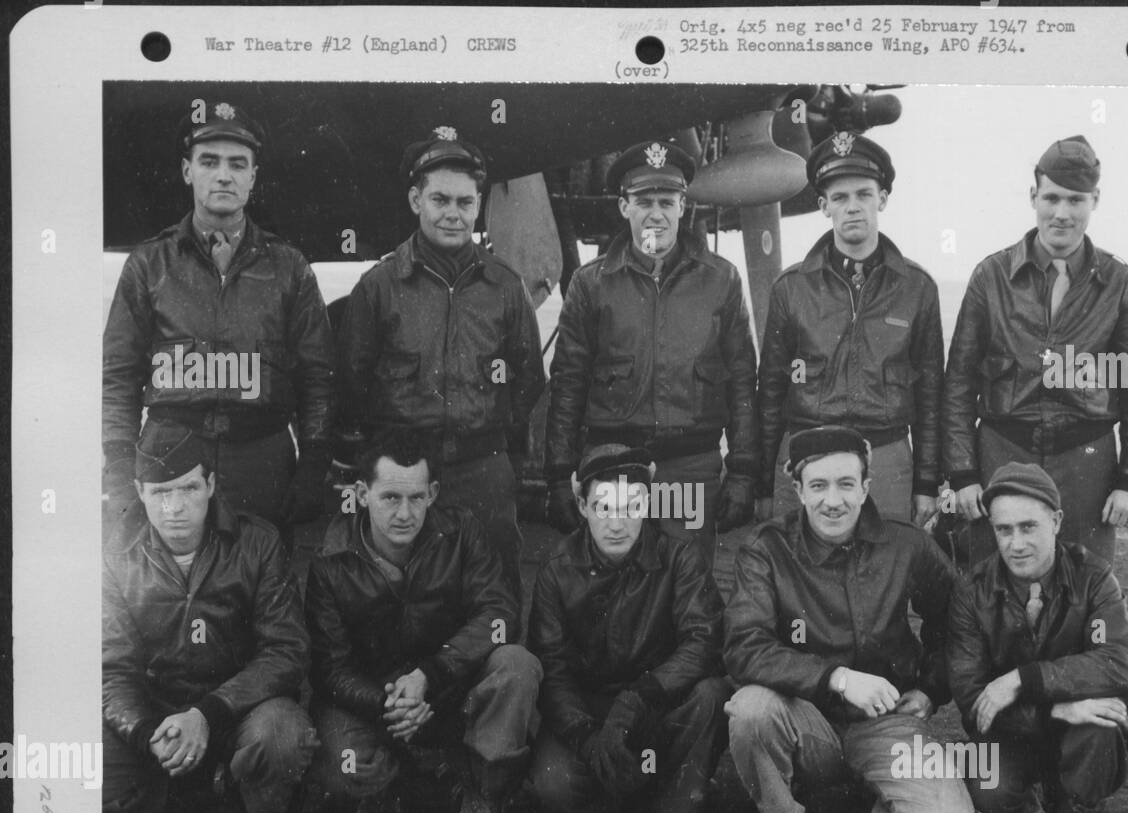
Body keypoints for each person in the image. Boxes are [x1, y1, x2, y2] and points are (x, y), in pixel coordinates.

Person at [725, 426, 985, 813]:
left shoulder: (906, 545)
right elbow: (744, 645)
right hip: (802, 717)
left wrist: (930, 688)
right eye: (819, 486)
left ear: (866, 488)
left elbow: (960, 624)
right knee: (750, 708)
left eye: (847, 484)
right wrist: (836, 678)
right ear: (798, 489)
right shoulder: (766, 549)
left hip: (887, 722)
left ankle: (877, 807)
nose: (833, 500)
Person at [304, 427, 540, 813]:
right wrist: (388, 704)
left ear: (433, 492)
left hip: (447, 689)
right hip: (376, 705)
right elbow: (329, 669)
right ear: (361, 493)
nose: (405, 513)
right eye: (390, 497)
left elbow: (499, 615)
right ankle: (387, 791)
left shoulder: (461, 531)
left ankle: (482, 802)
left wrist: (431, 674)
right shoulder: (331, 561)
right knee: (344, 766)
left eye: (416, 498)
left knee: (517, 665)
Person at [103, 101, 335, 538]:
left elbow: (317, 377)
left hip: (261, 459)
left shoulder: (289, 267)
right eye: (209, 161)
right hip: (171, 457)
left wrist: (314, 465)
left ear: (253, 176)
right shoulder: (149, 264)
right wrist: (118, 466)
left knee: (265, 587)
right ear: (187, 171)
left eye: (237, 164)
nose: (223, 175)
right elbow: (117, 377)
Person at [102, 424, 317, 813]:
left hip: (237, 711)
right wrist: (146, 733)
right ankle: (168, 810)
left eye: (188, 488)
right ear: (139, 491)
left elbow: (286, 650)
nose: (175, 507)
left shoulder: (257, 542)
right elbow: (112, 668)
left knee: (282, 734)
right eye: (161, 492)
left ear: (212, 484)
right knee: (87, 748)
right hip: (160, 717)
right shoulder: (115, 555)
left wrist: (207, 713)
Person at [336, 126, 545, 590]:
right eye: (440, 200)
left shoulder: (506, 287)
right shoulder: (379, 287)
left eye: (465, 203)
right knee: (403, 589)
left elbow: (528, 380)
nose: (453, 214)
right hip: (407, 473)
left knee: (494, 588)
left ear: (478, 204)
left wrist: (493, 445)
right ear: (416, 201)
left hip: (482, 469)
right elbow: (351, 383)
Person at [942, 135, 1128, 564]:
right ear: (1033, 196)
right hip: (1002, 454)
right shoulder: (991, 277)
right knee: (992, 583)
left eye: (1076, 200)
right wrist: (963, 473)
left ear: (1094, 200)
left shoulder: (1120, 285)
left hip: (1087, 462)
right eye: (1052, 198)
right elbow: (959, 384)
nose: (1062, 213)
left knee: (1086, 585)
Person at [544, 138, 759, 563]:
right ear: (624, 207)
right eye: (644, 200)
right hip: (614, 469)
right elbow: (567, 384)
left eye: (667, 200)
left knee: (689, 585)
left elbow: (741, 384)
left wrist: (743, 471)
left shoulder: (722, 281)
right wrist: (557, 476)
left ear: (684, 205)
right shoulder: (591, 284)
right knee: (617, 586)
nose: (655, 213)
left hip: (691, 470)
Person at [527, 445, 730, 813]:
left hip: (658, 700)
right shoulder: (557, 569)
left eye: (631, 506)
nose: (616, 523)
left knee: (711, 694)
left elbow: (703, 642)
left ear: (648, 504)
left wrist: (639, 697)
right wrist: (586, 737)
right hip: (593, 709)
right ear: (582, 505)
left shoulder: (680, 553)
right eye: (602, 507)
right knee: (555, 782)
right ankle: (609, 800)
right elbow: (553, 665)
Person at [946, 462, 1128, 813]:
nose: (1016, 543)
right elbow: (974, 700)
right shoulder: (972, 591)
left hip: (1079, 731)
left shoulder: (1094, 577)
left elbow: (1118, 660)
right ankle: (1040, 805)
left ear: (1057, 521)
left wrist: (1024, 679)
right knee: (989, 794)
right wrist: (1054, 708)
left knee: (1104, 721)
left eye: (1029, 526)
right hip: (1011, 734)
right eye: (1003, 529)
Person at [757, 131, 943, 528]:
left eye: (863, 194)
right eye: (840, 198)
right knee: (801, 579)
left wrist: (927, 481)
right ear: (824, 206)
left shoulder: (917, 288)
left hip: (887, 456)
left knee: (888, 577)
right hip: (807, 455)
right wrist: (762, 483)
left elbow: (931, 395)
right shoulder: (791, 289)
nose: (853, 207)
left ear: (883, 199)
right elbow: (771, 392)